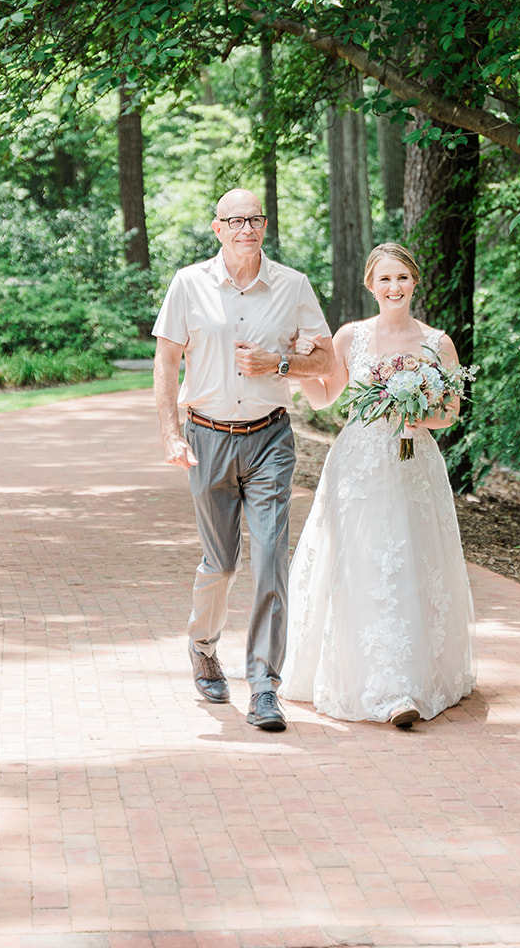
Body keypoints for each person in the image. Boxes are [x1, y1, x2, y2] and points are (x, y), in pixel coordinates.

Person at [153, 188, 334, 732]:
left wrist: (279, 363)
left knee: (271, 557)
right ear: (217, 228)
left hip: (270, 439)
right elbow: (166, 361)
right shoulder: (188, 283)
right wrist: (170, 434)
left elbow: (326, 358)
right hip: (206, 436)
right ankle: (204, 646)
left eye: (254, 219)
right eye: (235, 220)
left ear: (264, 225)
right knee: (222, 561)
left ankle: (263, 685)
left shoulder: (292, 285)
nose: (245, 228)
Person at [282, 242, 475, 729]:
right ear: (370, 285)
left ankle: (408, 684)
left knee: (410, 562)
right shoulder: (350, 337)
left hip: (414, 464)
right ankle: (371, 681)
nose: (394, 288)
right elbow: (326, 397)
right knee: (362, 560)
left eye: (403, 278)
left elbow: (450, 413)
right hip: (359, 466)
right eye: (384, 279)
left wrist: (413, 412)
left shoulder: (439, 342)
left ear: (415, 282)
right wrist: (299, 366)